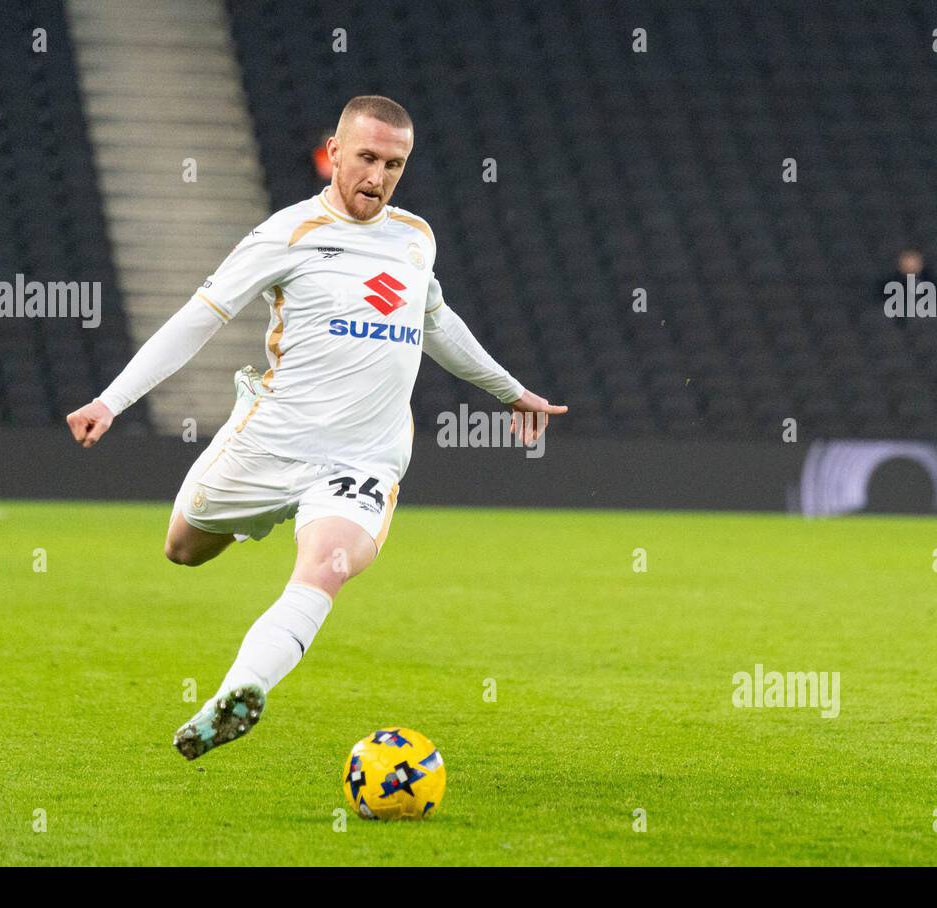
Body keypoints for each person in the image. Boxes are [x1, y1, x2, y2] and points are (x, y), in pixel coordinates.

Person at [64, 95, 567, 759]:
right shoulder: (288, 235)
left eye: (394, 164)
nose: (378, 176)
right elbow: (200, 317)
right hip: (271, 441)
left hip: (363, 457)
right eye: (366, 158)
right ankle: (258, 515)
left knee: (326, 566)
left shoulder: (414, 239)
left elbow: (436, 321)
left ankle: (237, 694)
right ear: (334, 152)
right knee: (183, 549)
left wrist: (511, 392)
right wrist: (111, 400)